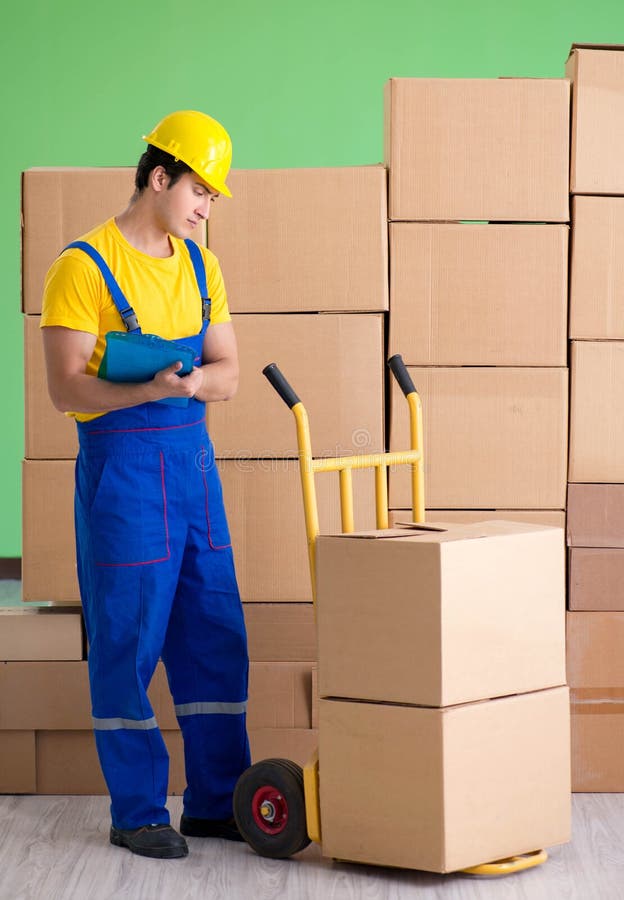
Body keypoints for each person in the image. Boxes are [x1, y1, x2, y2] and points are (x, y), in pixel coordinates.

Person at [41, 110, 251, 860]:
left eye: (213, 197)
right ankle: (136, 812)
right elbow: (65, 389)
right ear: (160, 177)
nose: (206, 208)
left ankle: (216, 803)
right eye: (200, 191)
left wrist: (189, 386)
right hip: (124, 474)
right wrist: (147, 390)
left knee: (213, 631)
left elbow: (228, 371)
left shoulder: (201, 266)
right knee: (127, 638)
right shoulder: (81, 266)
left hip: (193, 471)